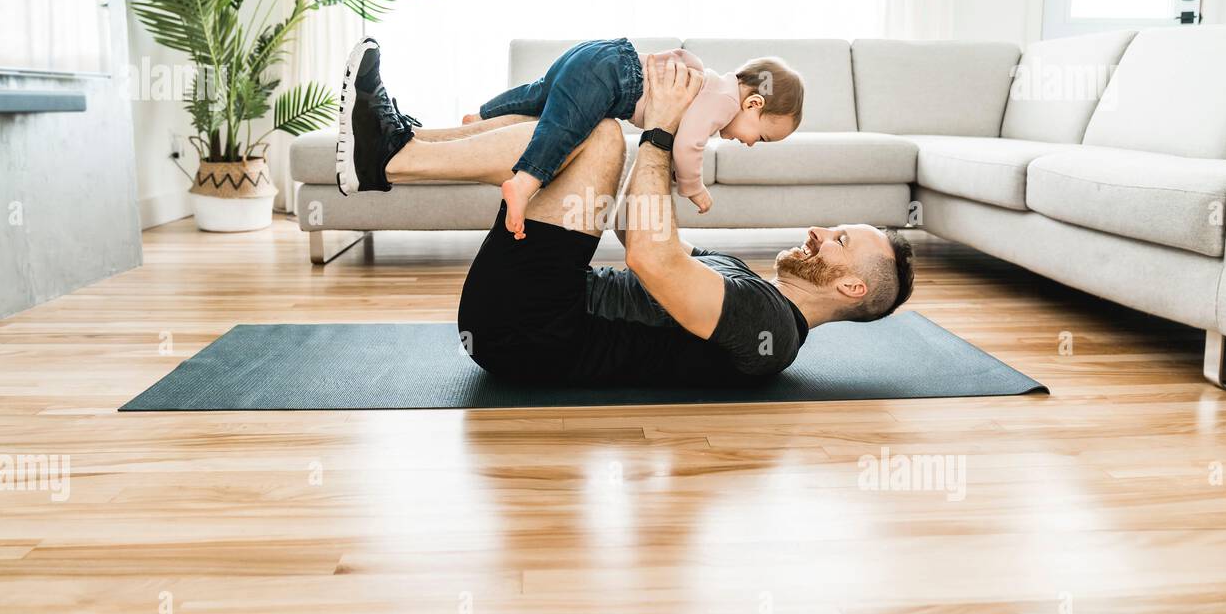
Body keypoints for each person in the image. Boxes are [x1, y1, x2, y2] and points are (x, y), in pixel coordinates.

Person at [333, 37, 915, 387]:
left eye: (837, 241)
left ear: (851, 286)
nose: (818, 232)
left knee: (604, 136)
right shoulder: (752, 288)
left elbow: (648, 255)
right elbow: (632, 227)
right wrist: (660, 127)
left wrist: (660, 131)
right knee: (594, 130)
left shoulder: (770, 330)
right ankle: (395, 144)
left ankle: (389, 157)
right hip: (531, 311)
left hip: (532, 329)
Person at [337, 37, 804, 239]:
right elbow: (686, 145)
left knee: (541, 98)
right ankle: (523, 183)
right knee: (563, 131)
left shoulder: (712, 81)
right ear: (754, 104)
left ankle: (434, 128)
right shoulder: (722, 101)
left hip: (601, 55)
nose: (747, 144)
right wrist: (693, 188)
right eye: (760, 137)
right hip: (613, 78)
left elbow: (679, 58)